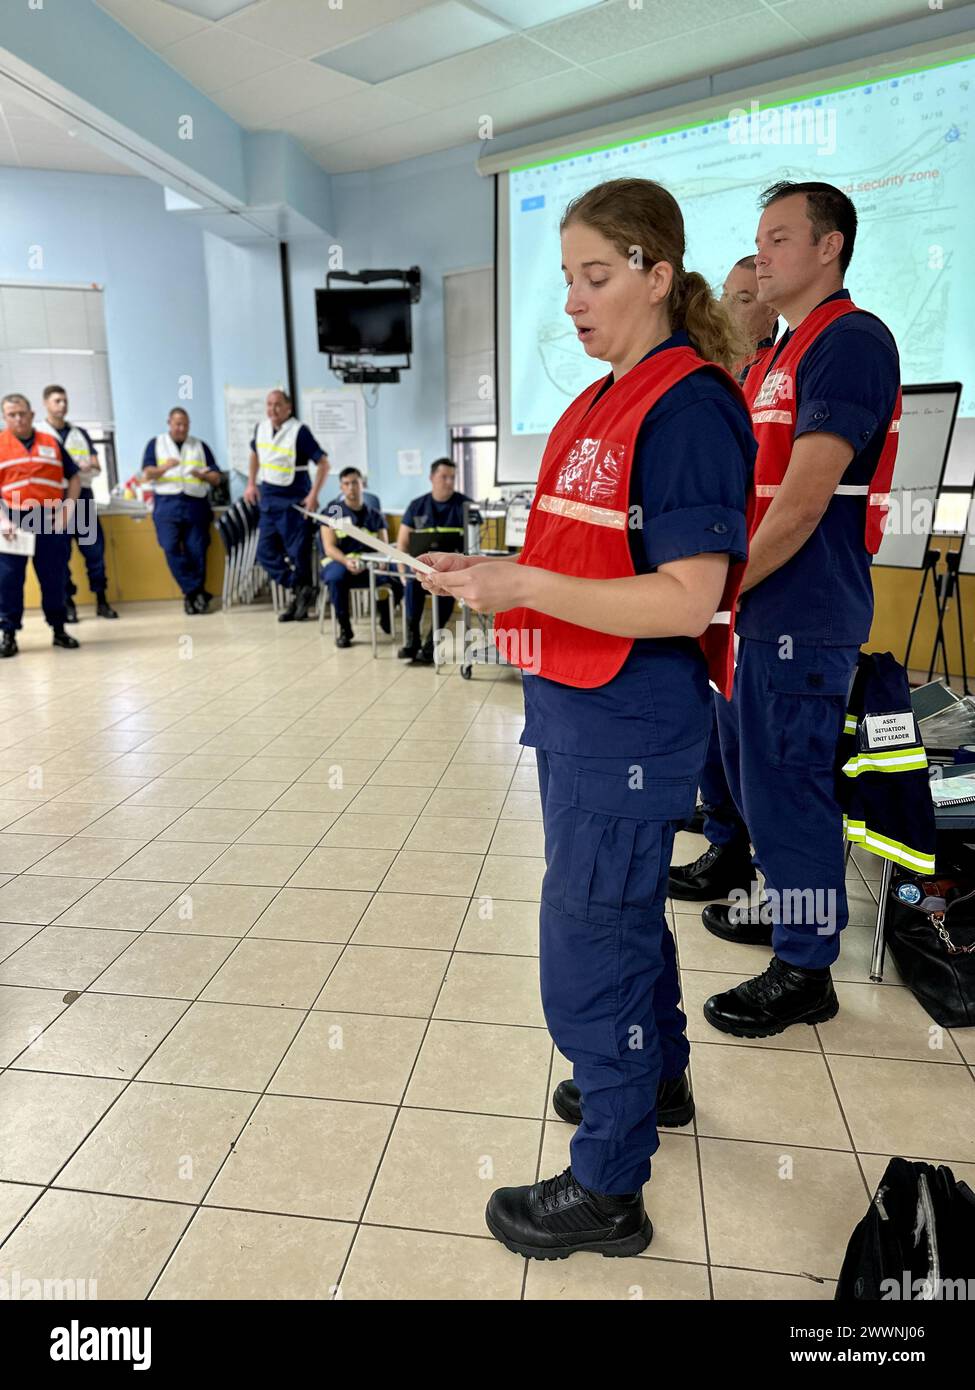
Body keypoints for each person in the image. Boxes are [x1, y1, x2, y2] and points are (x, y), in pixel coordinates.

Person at [420, 178, 754, 1260]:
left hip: (628, 721)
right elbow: (569, 557)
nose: (573, 299)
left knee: (589, 944)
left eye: (596, 275)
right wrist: (488, 572)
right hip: (578, 713)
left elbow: (686, 597)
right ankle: (654, 1081)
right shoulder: (604, 395)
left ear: (659, 277)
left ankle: (609, 1185)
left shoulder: (688, 403)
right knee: (623, 920)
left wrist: (521, 587)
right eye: (566, 277)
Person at [702, 181, 900, 1038]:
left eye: (779, 238)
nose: (761, 255)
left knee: (788, 790)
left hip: (803, 607)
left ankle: (805, 967)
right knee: (757, 783)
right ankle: (788, 913)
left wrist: (713, 590)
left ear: (829, 247)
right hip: (758, 612)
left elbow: (801, 502)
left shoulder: (849, 341)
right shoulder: (781, 352)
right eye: (758, 239)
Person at [668, 255, 779, 901]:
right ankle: (723, 846)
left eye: (743, 297)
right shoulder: (721, 380)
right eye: (728, 296)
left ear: (768, 309)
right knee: (715, 731)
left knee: (757, 756)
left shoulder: (772, 376)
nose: (729, 308)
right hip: (712, 589)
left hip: (754, 589)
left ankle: (752, 869)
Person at [0, 393, 82, 658]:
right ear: (5, 417)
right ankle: (8, 634)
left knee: (53, 577)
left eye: (22, 413)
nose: (18, 418)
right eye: (11, 414)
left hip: (49, 520)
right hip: (13, 521)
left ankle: (59, 629)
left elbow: (74, 478)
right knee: (9, 580)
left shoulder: (51, 442)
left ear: (32, 414)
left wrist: (68, 511)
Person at [243, 389, 329, 623]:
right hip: (269, 499)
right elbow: (254, 454)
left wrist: (313, 495)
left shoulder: (299, 431)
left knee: (298, 555)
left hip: (294, 500)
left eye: (278, 404)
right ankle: (300, 588)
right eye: (269, 404)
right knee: (265, 552)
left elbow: (323, 464)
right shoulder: (261, 428)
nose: (273, 409)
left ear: (288, 407)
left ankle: (300, 600)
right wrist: (251, 483)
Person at [42, 384, 117, 621]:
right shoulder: (40, 435)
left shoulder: (79, 434)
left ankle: (102, 601)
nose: (62, 405)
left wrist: (85, 467)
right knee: (58, 557)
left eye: (65, 400)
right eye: (57, 401)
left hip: (83, 499)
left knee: (95, 553)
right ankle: (68, 603)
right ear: (46, 403)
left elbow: (96, 466)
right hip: (54, 502)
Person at [142, 408, 224, 615]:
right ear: (169, 423)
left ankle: (193, 598)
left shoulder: (199, 446)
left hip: (195, 503)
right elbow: (147, 473)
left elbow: (217, 478)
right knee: (170, 547)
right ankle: (195, 591)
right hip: (167, 503)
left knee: (197, 550)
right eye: (178, 424)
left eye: (185, 425)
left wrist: (203, 475)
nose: (182, 428)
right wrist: (165, 468)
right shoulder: (157, 443)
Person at [395, 458, 470, 664]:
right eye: (444, 477)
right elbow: (402, 544)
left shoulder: (465, 506)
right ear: (431, 478)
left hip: (451, 571)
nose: (449, 481)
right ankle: (412, 641)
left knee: (446, 586)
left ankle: (431, 645)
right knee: (411, 583)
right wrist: (402, 573)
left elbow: (473, 544)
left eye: (452, 477)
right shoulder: (416, 506)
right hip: (420, 569)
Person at [319, 466, 403, 647]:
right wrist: (346, 561)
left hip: (370, 565)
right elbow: (329, 547)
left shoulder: (375, 515)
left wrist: (382, 561)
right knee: (335, 578)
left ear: (362, 484)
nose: (351, 488)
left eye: (355, 483)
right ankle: (344, 628)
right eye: (346, 484)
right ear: (341, 487)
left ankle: (386, 613)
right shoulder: (333, 512)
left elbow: (384, 546)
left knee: (400, 572)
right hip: (340, 562)